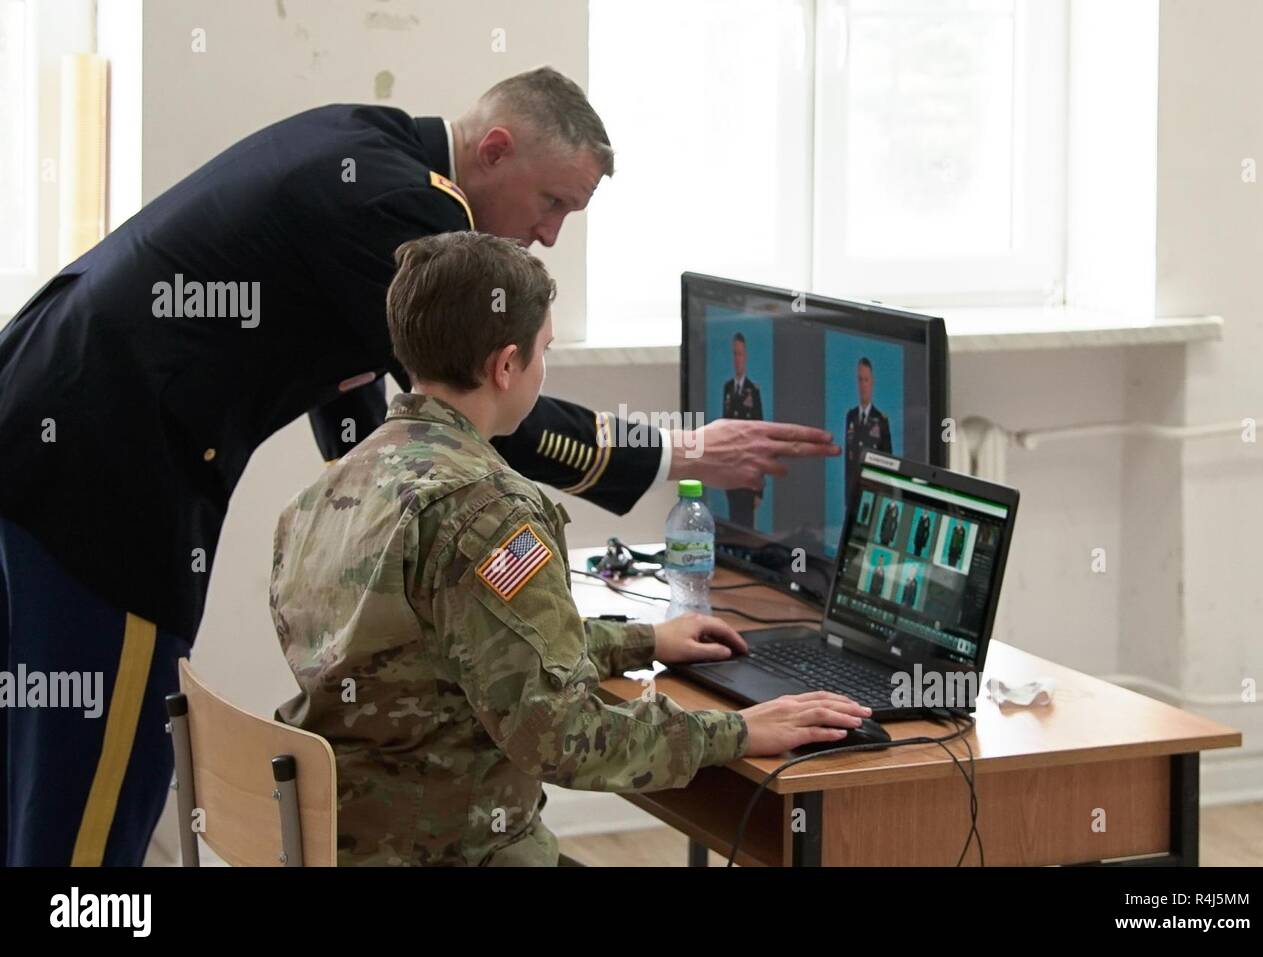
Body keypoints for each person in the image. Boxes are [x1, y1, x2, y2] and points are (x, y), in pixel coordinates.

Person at [0, 66, 838, 865]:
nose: (550, 232)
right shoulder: (396, 203)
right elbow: (555, 726)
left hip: (51, 421)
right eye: (552, 203)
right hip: (99, 474)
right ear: (496, 148)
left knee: (38, 765)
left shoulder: (364, 149)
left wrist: (639, 638)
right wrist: (677, 451)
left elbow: (367, 366)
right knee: (87, 794)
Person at [270, 232, 871, 865]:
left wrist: (642, 642)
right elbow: (560, 737)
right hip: (453, 851)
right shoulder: (488, 512)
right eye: (545, 350)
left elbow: (449, 652)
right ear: (506, 366)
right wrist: (742, 731)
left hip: (337, 839)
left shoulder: (329, 489)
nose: (544, 365)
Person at [721, 332, 764, 526]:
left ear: (745, 357)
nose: (737, 359)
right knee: (732, 527)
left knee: (746, 530)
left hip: (748, 476)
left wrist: (759, 489)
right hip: (731, 475)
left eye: (740, 354)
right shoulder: (728, 389)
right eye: (734, 354)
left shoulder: (753, 391)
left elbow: (761, 441)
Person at [844, 357, 893, 509]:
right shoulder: (851, 416)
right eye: (860, 380)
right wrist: (847, 496)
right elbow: (848, 461)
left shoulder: (881, 419)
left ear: (872, 383)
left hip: (873, 494)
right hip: (853, 494)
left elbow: (888, 463)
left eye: (866, 380)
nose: (863, 385)